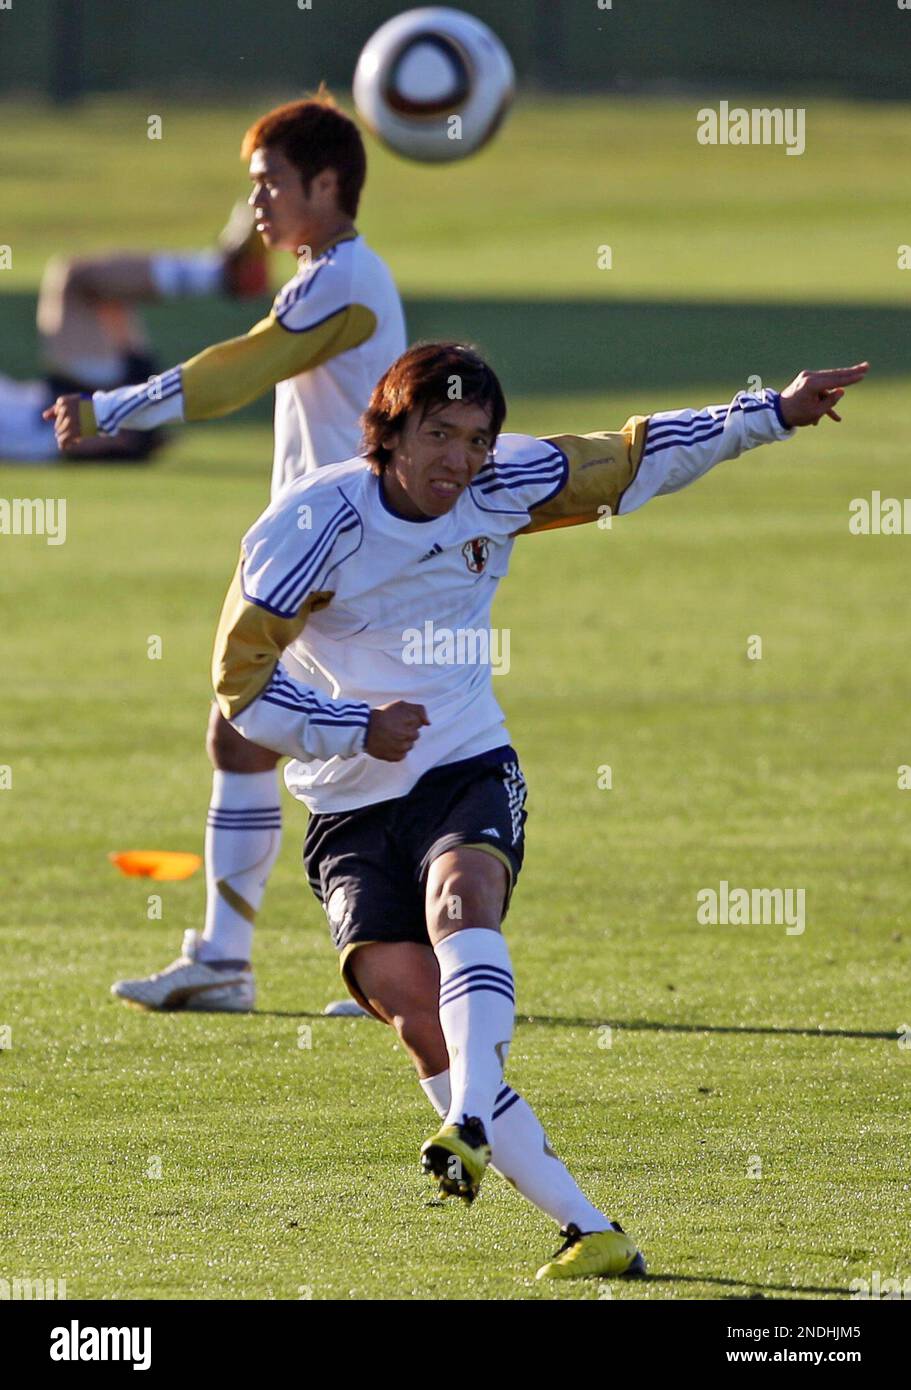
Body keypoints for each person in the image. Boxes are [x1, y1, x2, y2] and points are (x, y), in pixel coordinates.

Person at [206, 340, 868, 1278]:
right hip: (347, 797)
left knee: (458, 902)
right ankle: (589, 1228)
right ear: (387, 434)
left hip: (464, 757)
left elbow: (636, 454)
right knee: (407, 1006)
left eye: (476, 437)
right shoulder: (310, 524)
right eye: (438, 434)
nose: (459, 459)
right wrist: (353, 725)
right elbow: (240, 686)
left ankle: (468, 1115)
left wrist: (775, 412)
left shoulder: (503, 481)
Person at [46, 91, 407, 1014]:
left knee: (330, 742)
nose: (256, 202)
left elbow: (234, 374)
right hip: (325, 544)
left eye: (269, 184)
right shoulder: (331, 268)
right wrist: (257, 222)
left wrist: (109, 407)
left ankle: (254, 960)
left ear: (324, 184)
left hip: (341, 547)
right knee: (275, 734)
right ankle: (234, 959)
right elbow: (244, 277)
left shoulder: (341, 282)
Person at [0, 200, 267, 463]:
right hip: (77, 410)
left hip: (78, 401)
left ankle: (220, 273)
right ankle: (221, 274)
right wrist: (114, 439)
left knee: (100, 292)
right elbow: (39, 445)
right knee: (74, 278)